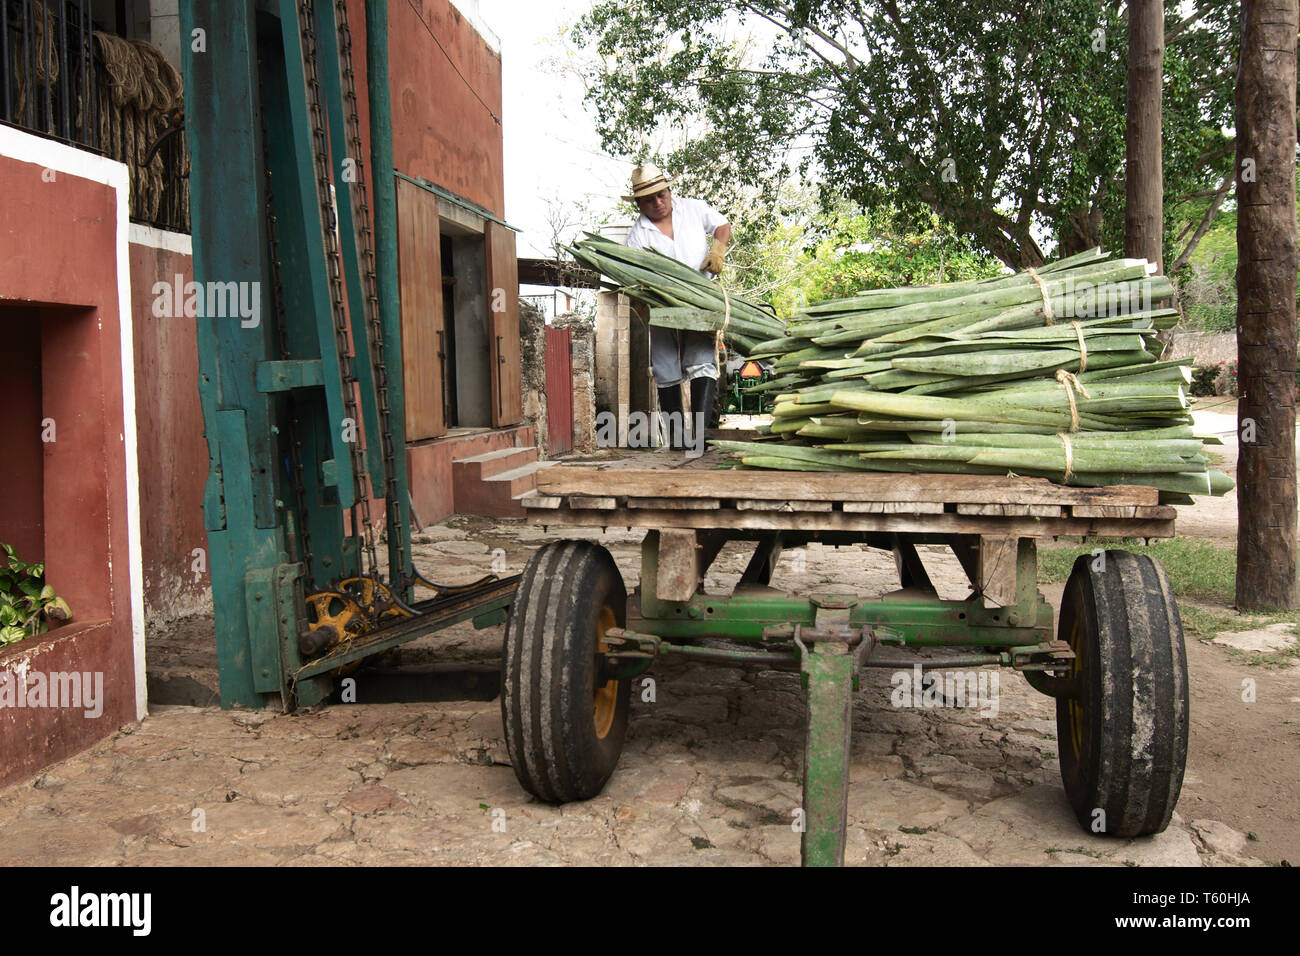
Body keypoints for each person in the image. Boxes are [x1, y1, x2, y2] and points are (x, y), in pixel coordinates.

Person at [622, 164, 732, 449]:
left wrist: (717, 250)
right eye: (649, 199)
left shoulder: (693, 209)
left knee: (701, 361)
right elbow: (635, 275)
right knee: (665, 367)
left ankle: (700, 436)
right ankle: (677, 440)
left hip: (699, 301)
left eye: (661, 194)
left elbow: (722, 225)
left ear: (669, 190)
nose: (658, 203)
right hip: (663, 307)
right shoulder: (638, 235)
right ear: (638, 204)